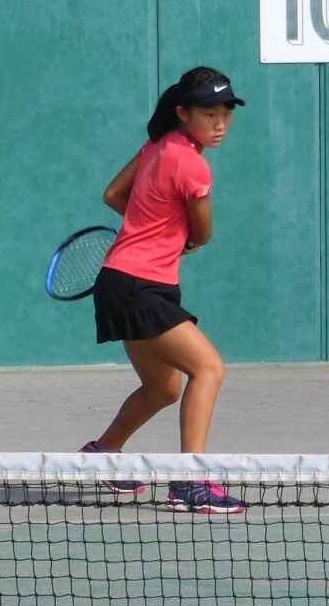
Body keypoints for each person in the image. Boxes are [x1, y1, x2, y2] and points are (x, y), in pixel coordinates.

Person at [80, 66, 245, 514]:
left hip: (122, 282)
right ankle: (190, 481)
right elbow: (203, 233)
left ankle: (101, 454)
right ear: (182, 113)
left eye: (226, 114)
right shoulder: (192, 164)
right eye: (209, 114)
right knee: (208, 368)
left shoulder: (156, 145)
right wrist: (181, 237)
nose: (220, 124)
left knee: (163, 388)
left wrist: (154, 227)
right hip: (139, 287)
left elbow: (114, 194)